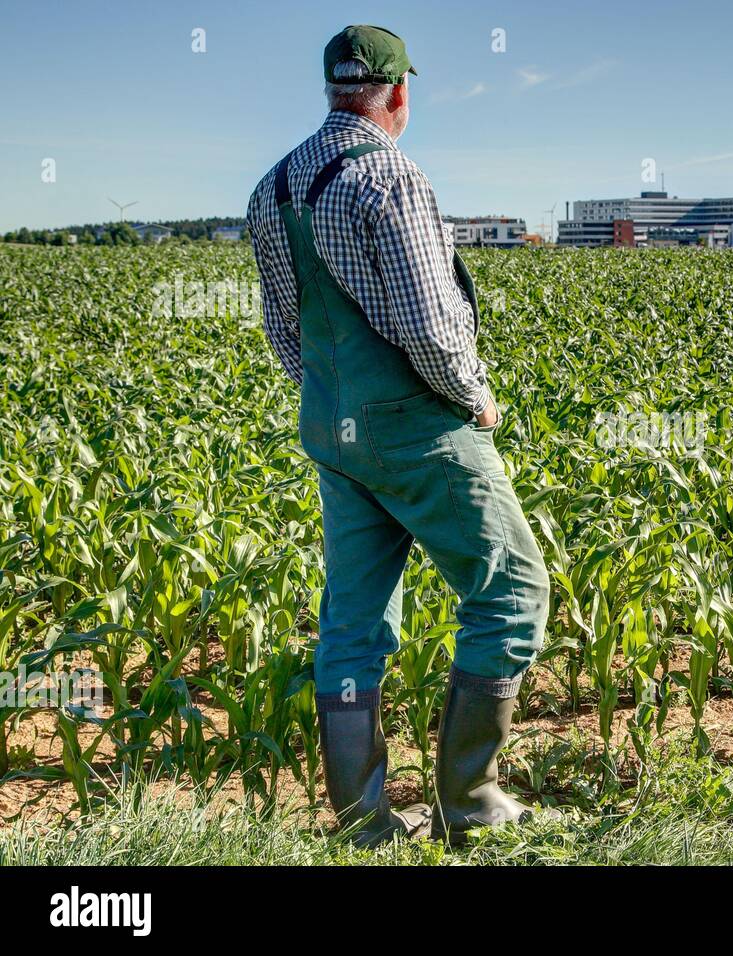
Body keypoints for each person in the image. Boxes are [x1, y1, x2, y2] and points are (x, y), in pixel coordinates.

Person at [245, 25, 550, 845]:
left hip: (333, 430)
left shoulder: (273, 187)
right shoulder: (390, 176)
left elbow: (285, 328)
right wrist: (475, 399)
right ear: (399, 93)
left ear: (333, 89)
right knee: (512, 594)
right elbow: (429, 321)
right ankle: (473, 807)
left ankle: (363, 825)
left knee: (352, 621)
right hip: (416, 427)